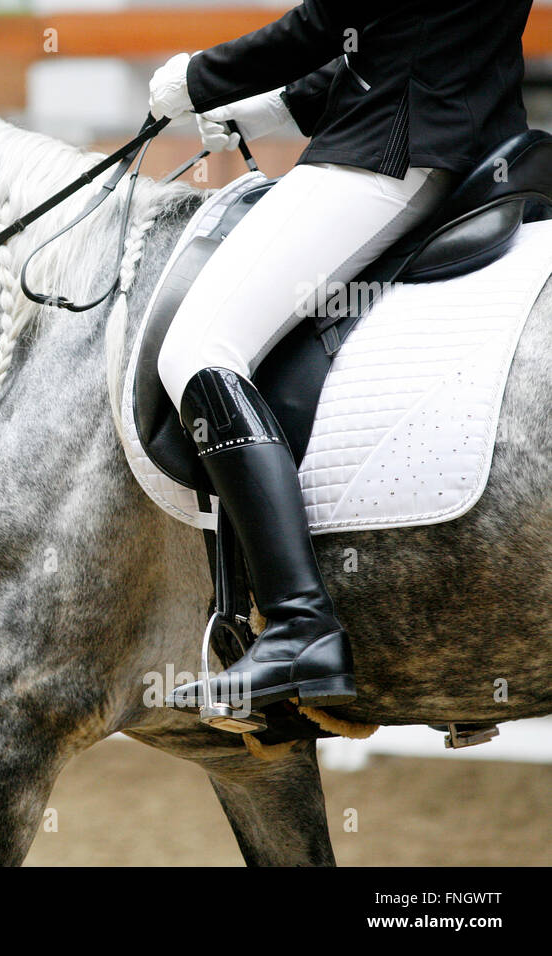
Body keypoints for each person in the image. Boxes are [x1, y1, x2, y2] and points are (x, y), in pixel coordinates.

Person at [147, 0, 534, 716]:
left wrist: (199, 78)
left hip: (391, 153)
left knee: (200, 351)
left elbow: (332, 20)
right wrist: (277, 112)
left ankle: (300, 624)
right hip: (476, 140)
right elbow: (404, 34)